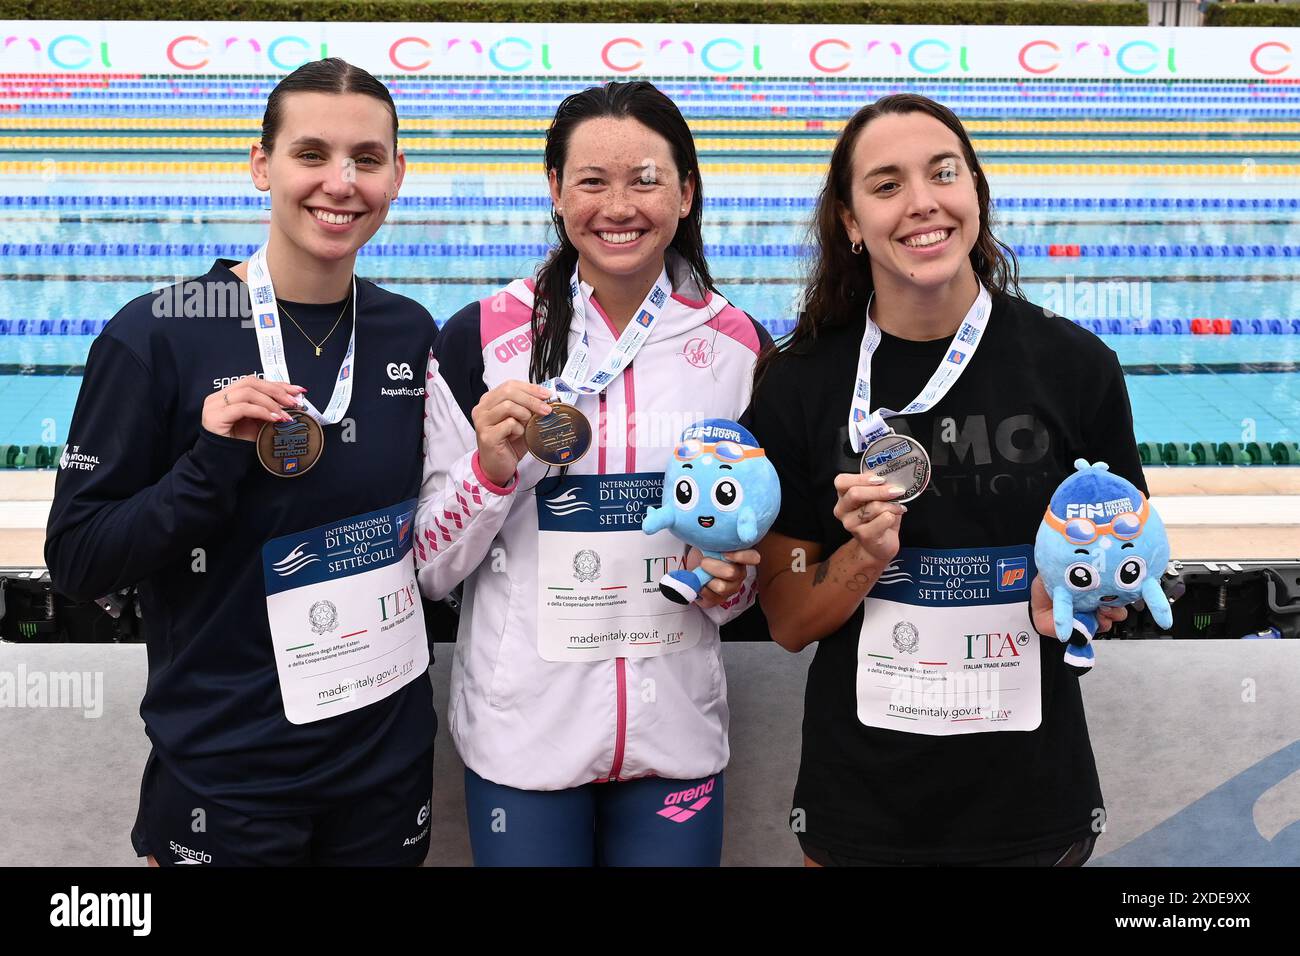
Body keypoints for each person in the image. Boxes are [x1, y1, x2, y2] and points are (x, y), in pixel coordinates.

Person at [44, 58, 438, 866]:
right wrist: (209, 461)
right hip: (227, 778)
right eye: (310, 154)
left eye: (366, 159)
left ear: (397, 176)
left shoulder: (410, 332)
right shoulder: (157, 334)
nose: (340, 183)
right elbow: (78, 561)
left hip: (386, 768)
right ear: (262, 165)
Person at [745, 93, 1144, 866]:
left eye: (943, 173)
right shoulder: (800, 385)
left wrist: (1083, 592)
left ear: (976, 193)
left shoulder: (1075, 368)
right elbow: (788, 618)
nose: (922, 201)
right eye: (887, 184)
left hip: (1030, 803)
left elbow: (1128, 563)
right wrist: (863, 557)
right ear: (851, 222)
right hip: (862, 809)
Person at [415, 81, 771, 866]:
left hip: (675, 732)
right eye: (591, 181)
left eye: (645, 180)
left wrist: (728, 582)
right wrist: (490, 472)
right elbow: (430, 569)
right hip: (525, 738)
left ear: (686, 192)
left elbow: (751, 558)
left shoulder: (739, 347)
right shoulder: (482, 339)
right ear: (555, 189)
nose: (619, 206)